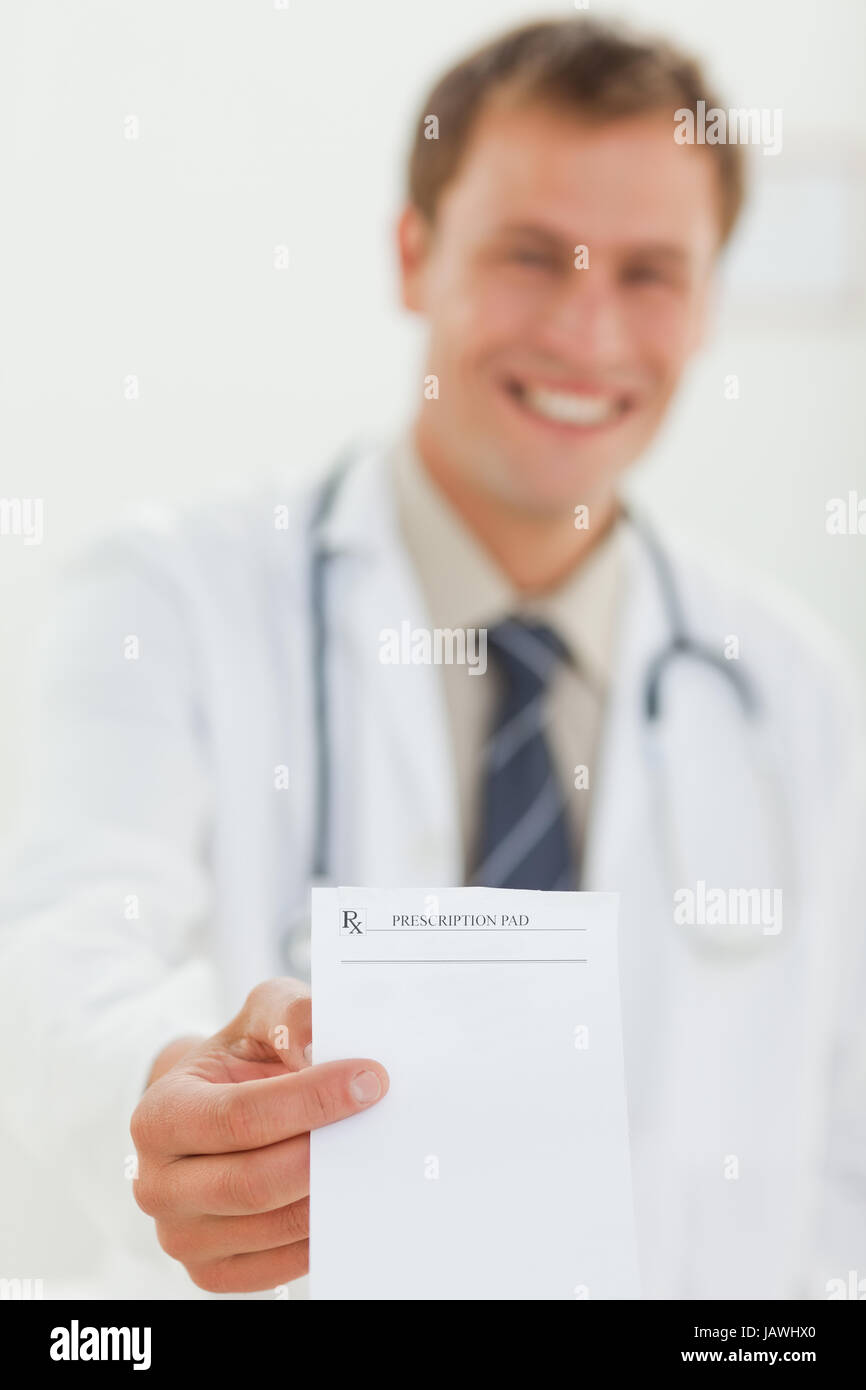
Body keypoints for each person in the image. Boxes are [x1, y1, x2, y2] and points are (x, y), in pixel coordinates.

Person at [1, 16, 864, 1300]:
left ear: (705, 309)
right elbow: (58, 948)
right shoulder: (168, 599)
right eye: (529, 255)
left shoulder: (797, 694)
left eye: (648, 272)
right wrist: (161, 1081)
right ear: (414, 256)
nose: (585, 330)